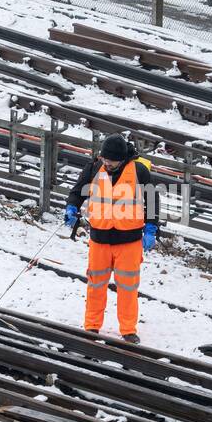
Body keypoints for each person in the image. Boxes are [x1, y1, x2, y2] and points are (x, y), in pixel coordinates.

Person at [65, 134, 159, 343]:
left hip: (129, 241)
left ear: (122, 159)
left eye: (111, 161)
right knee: (95, 283)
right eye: (104, 159)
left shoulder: (139, 171)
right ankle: (91, 326)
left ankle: (128, 329)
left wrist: (151, 228)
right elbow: (77, 192)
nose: (106, 163)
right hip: (100, 239)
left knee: (127, 287)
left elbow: (152, 200)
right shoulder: (94, 168)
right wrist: (71, 206)